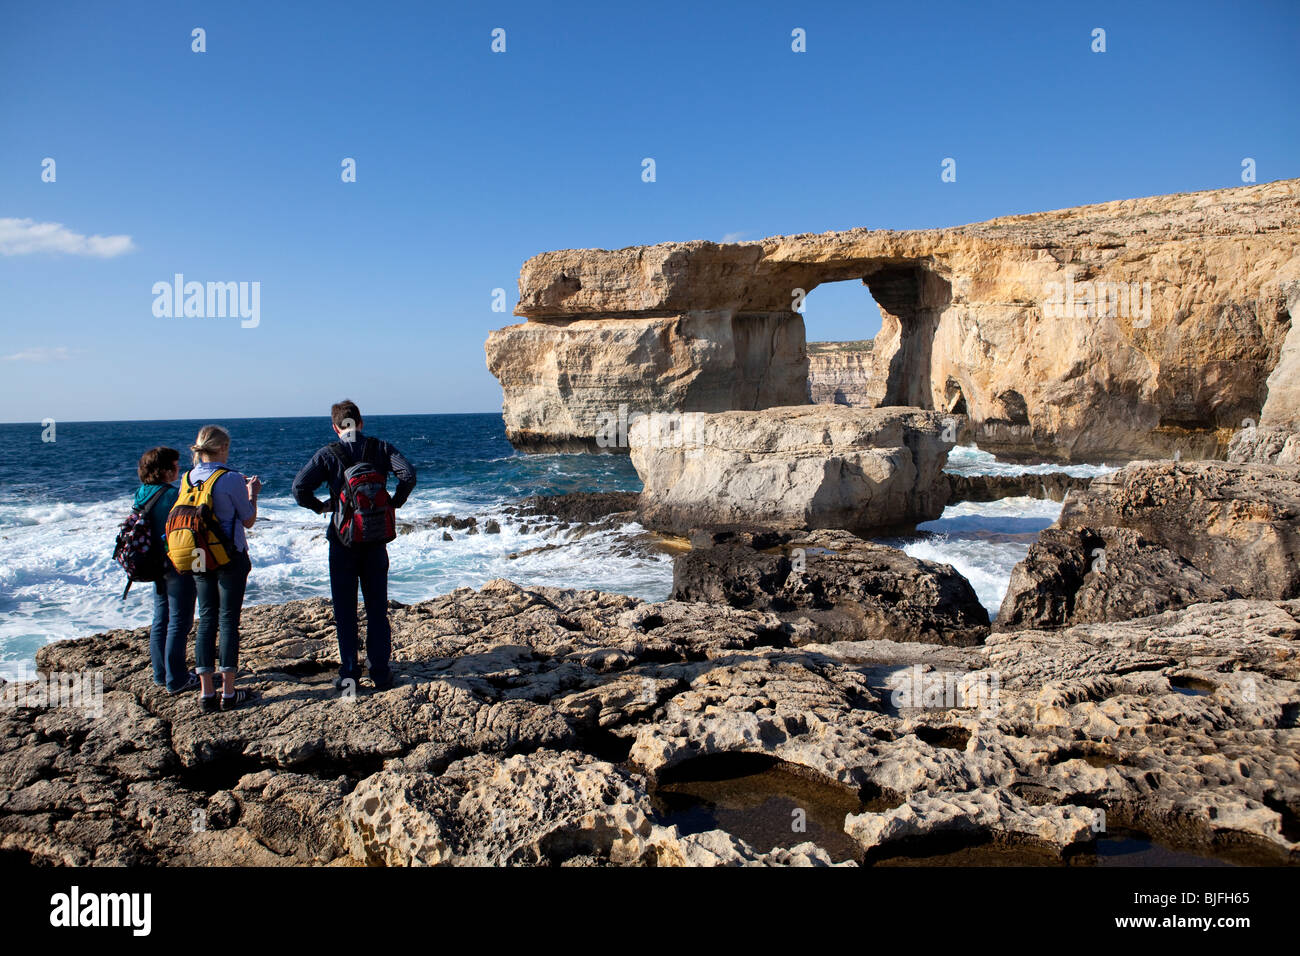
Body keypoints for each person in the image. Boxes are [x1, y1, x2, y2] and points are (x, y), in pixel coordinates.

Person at [291, 400, 416, 692]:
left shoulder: (327, 454)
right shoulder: (381, 448)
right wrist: (394, 502)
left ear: (336, 427)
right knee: (376, 609)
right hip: (375, 540)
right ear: (361, 423)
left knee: (345, 612)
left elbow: (299, 488)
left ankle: (349, 675)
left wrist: (321, 507)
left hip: (342, 541)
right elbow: (408, 474)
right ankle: (381, 674)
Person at [185, 425, 260, 712]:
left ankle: (206, 694)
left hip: (197, 555)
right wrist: (252, 492)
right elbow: (249, 519)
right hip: (228, 557)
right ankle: (228, 693)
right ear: (222, 449)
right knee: (228, 620)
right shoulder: (228, 479)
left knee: (205, 620)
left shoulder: (187, 478)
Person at [134, 446, 199, 693]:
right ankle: (177, 679)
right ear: (163, 470)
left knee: (161, 618)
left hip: (152, 562)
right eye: (175, 465)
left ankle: (161, 675)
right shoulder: (172, 495)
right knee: (179, 622)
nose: (178, 469)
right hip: (175, 562)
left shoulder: (141, 493)